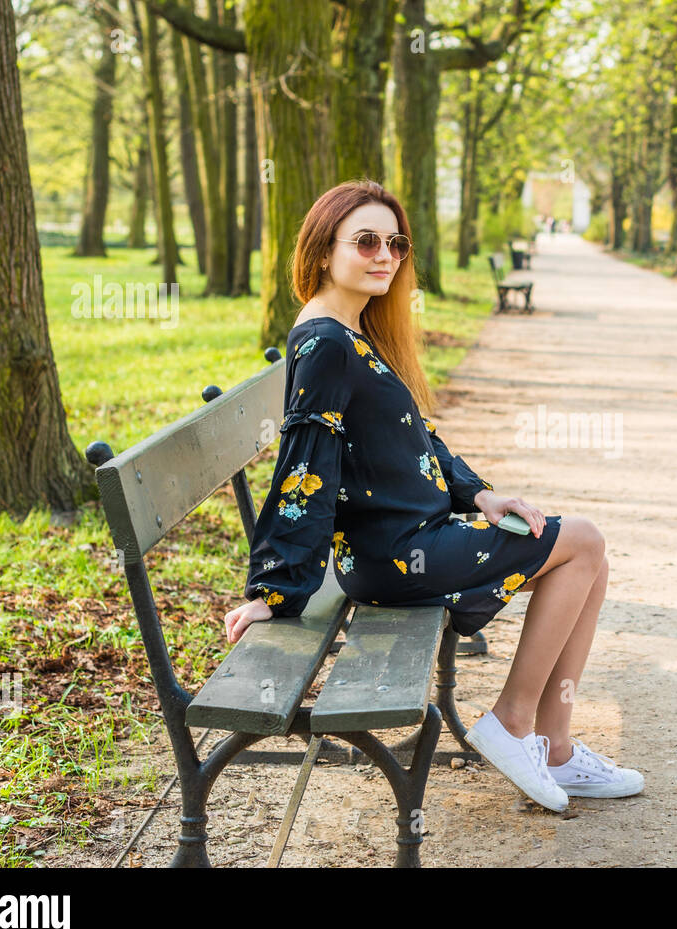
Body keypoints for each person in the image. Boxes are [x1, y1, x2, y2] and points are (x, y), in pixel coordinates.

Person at [223, 179, 642, 811]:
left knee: (590, 557)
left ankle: (555, 746)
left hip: (407, 542)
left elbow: (417, 438)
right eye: (364, 241)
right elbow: (304, 471)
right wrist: (275, 590)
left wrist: (480, 497)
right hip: (393, 555)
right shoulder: (327, 346)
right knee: (581, 540)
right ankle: (512, 722)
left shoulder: (351, 331)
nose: (384, 254)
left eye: (395, 242)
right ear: (321, 251)